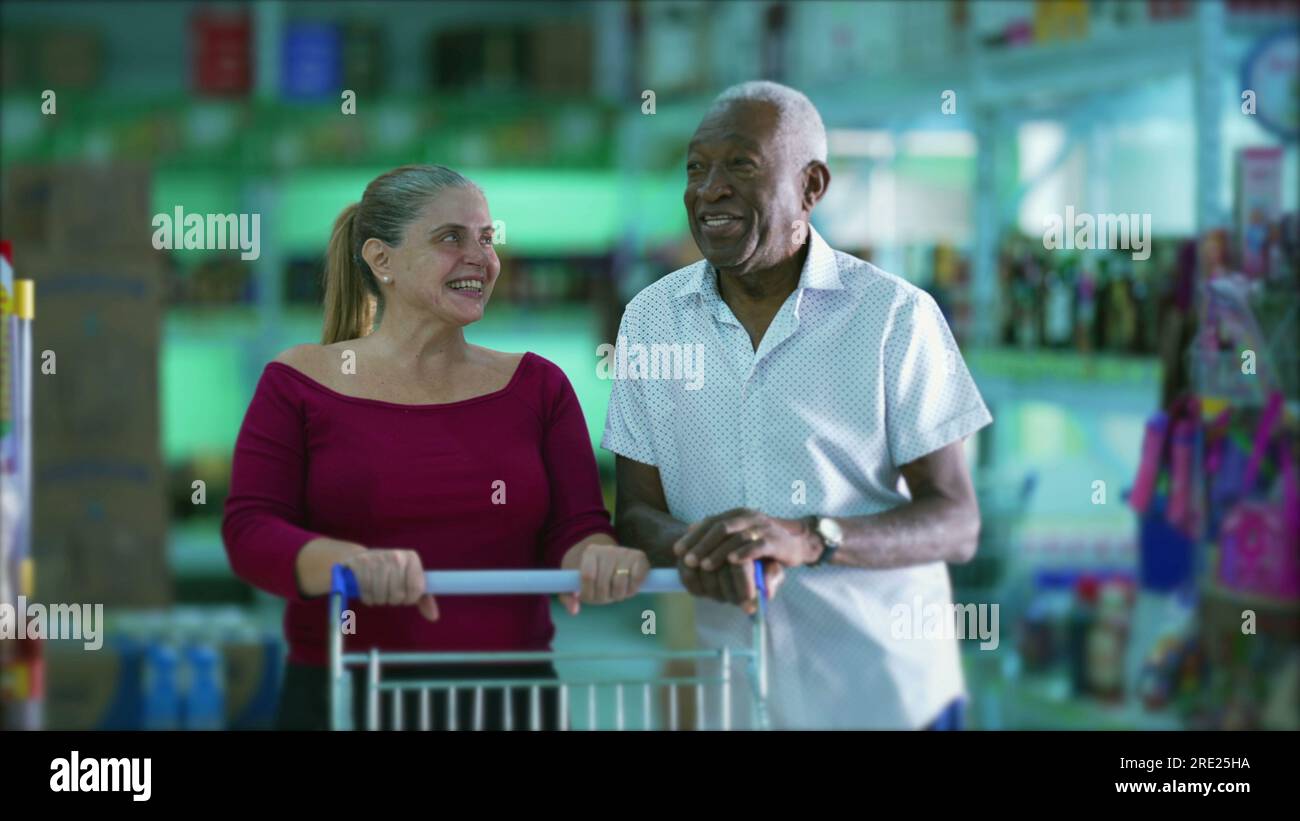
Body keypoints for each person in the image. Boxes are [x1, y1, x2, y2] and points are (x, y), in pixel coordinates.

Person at [602, 82, 993, 729]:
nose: (709, 189)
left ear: (812, 186)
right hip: (731, 696)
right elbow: (638, 514)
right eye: (696, 168)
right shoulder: (651, 319)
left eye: (740, 165)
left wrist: (809, 538)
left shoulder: (894, 317)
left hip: (880, 697)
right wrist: (713, 548)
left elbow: (957, 522)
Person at [222, 164, 650, 730]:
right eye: (451, 238)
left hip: (509, 698)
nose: (481, 257)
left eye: (487, 238)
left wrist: (597, 555)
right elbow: (251, 529)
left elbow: (575, 529)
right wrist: (346, 563)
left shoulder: (539, 387)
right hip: (347, 696)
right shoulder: (298, 382)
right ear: (381, 260)